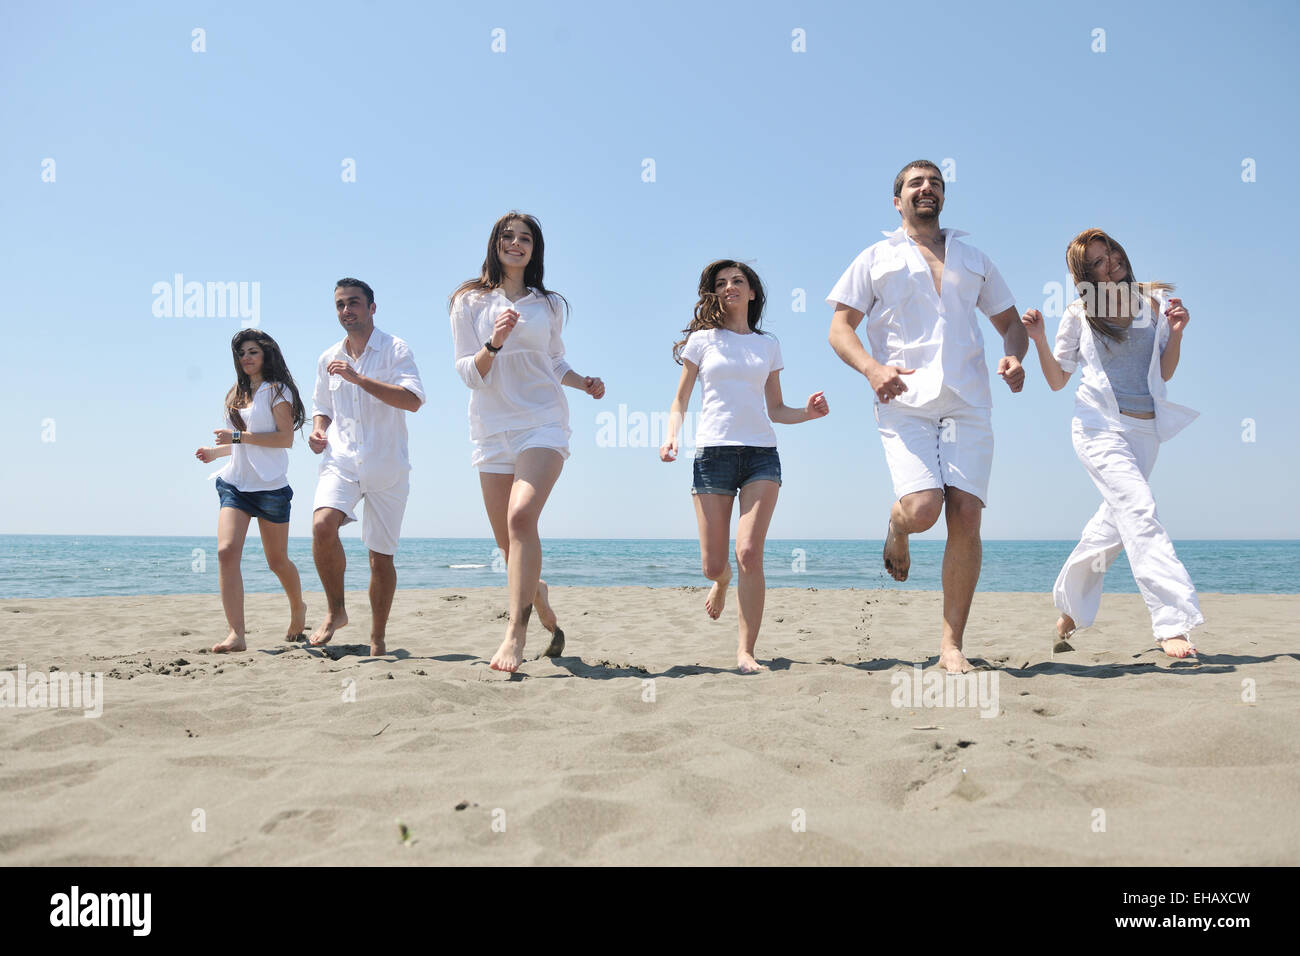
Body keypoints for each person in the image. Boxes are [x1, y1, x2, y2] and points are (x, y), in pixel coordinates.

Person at [827, 159, 1027, 673]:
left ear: (943, 197)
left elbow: (1009, 322)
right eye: (916, 183)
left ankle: (951, 645)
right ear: (897, 200)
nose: (927, 188)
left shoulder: (973, 257)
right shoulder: (875, 257)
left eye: (935, 183)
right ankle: (896, 524)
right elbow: (840, 328)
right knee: (923, 511)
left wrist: (1015, 355)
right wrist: (872, 370)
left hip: (968, 397)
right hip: (903, 398)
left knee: (966, 514)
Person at [1021, 228, 1202, 659]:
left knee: (1114, 527)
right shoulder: (1080, 315)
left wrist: (1176, 332)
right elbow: (1056, 380)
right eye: (1099, 261)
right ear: (1087, 276)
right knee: (1140, 510)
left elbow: (1165, 371)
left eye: (1113, 252)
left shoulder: (1150, 304)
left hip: (1145, 432)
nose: (1112, 263)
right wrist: (1039, 340)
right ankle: (1172, 622)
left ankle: (1070, 610)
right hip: (1099, 430)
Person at [449, 212, 605, 673]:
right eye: (507, 236)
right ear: (494, 243)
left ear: (535, 249)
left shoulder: (549, 304)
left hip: (543, 422)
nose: (516, 244)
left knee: (521, 517)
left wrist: (583, 382)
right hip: (492, 428)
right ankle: (540, 598)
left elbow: (554, 361)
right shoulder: (468, 301)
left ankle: (514, 634)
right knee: (508, 544)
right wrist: (493, 343)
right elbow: (466, 373)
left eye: (525, 238)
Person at [660, 260, 829, 673]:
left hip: (760, 457)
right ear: (714, 293)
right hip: (713, 456)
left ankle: (745, 650)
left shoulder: (768, 345)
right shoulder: (702, 341)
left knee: (749, 552)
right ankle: (721, 583)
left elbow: (775, 409)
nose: (730, 286)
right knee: (715, 565)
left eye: (738, 281)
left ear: (752, 292)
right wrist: (671, 436)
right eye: (721, 283)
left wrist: (806, 413)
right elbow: (680, 398)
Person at [308, 278, 426, 656]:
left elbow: (412, 400)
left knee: (380, 558)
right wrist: (318, 431)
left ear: (372, 307)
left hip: (388, 465)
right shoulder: (327, 357)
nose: (347, 310)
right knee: (322, 525)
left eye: (354, 303)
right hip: (341, 460)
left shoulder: (395, 348)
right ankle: (336, 611)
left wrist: (359, 379)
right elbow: (321, 407)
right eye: (340, 304)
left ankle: (378, 637)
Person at [195, 329, 308, 654]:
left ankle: (298, 607)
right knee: (226, 551)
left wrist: (238, 439)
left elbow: (283, 439)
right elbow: (236, 446)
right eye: (242, 353)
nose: (246, 358)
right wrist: (211, 452)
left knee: (276, 561)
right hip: (235, 484)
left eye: (252, 352)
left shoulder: (277, 391)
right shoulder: (236, 394)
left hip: (270, 486)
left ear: (266, 355)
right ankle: (236, 634)